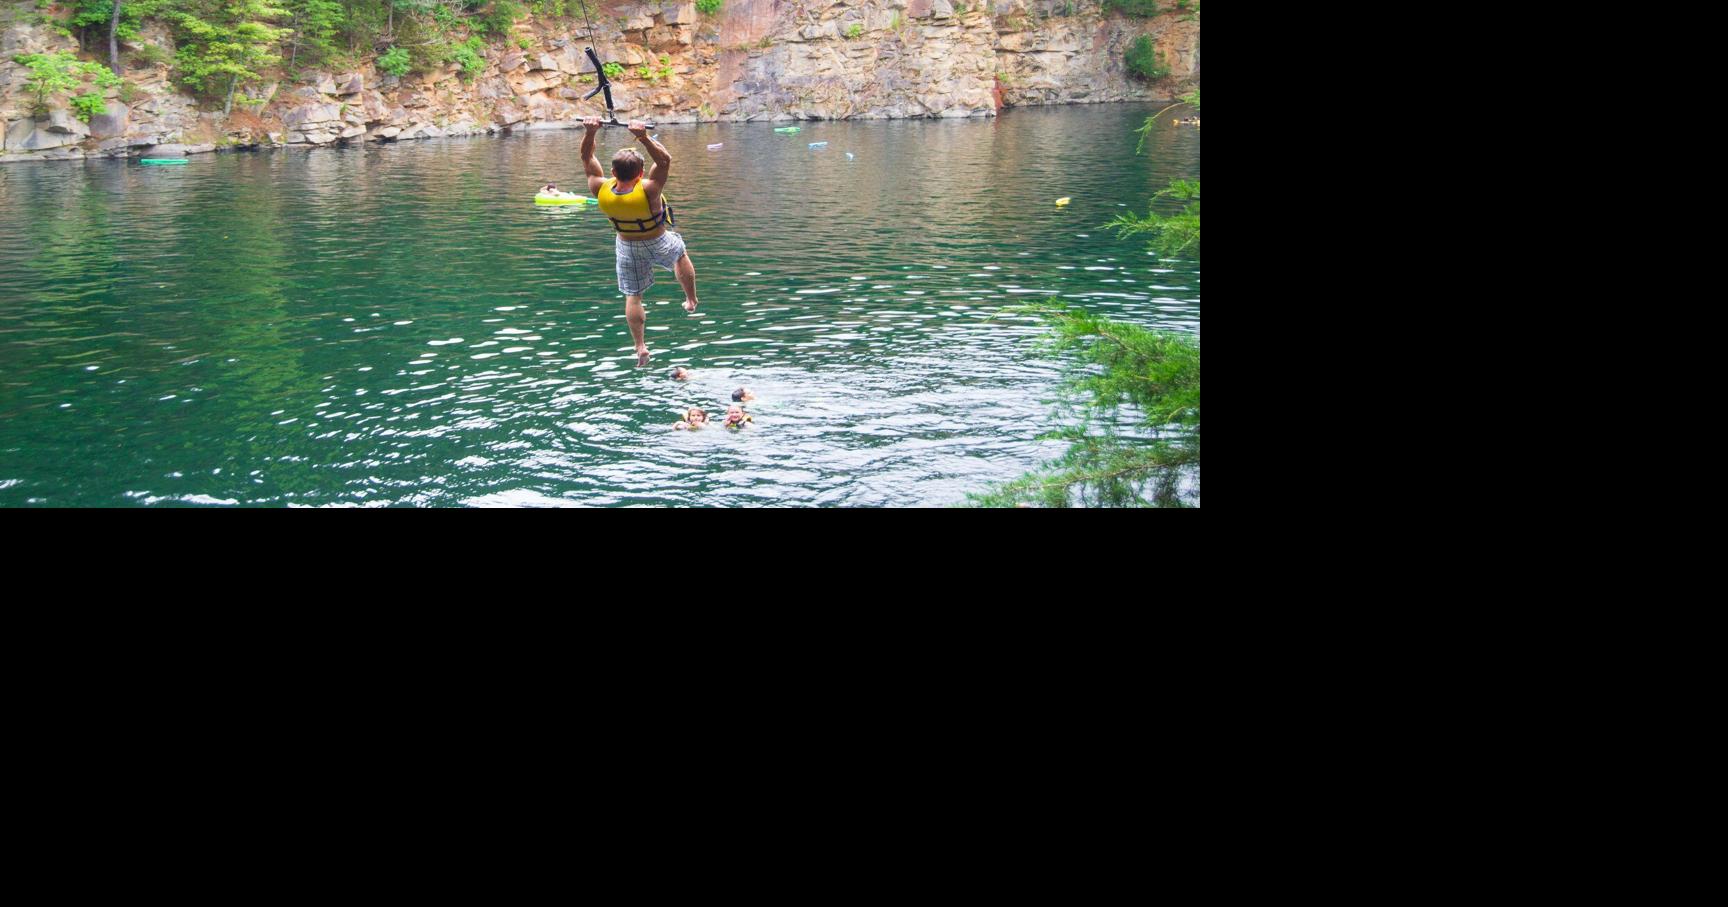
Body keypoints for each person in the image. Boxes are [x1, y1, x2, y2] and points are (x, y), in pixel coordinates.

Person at [583, 117, 700, 367]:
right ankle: (690, 300)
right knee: (679, 253)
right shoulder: (648, 188)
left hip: (627, 246)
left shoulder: (599, 187)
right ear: (640, 173)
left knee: (632, 295)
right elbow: (664, 161)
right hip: (657, 239)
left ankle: (640, 346)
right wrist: (644, 137)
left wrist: (590, 132)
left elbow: (587, 158)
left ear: (613, 172)